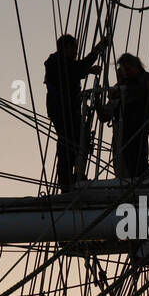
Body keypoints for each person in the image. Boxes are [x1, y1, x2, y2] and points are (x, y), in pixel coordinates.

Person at [44, 33, 109, 191]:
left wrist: (87, 70)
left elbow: (75, 71)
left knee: (79, 139)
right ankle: (67, 180)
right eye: (73, 48)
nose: (76, 52)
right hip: (63, 110)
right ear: (65, 47)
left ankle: (72, 176)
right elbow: (76, 69)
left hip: (66, 109)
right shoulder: (57, 62)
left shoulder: (61, 63)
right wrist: (98, 49)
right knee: (69, 143)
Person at [98, 53, 149, 182]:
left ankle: (139, 185)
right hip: (121, 131)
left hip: (138, 128)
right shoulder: (120, 87)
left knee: (137, 162)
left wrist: (121, 92)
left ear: (134, 66)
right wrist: (98, 105)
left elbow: (147, 97)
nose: (124, 72)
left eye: (126, 69)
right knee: (122, 165)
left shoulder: (146, 80)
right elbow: (105, 115)